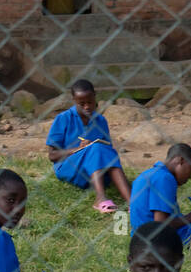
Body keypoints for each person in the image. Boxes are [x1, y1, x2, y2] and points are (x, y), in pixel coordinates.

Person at [45, 79, 130, 213]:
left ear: (95, 97)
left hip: (96, 173)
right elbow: (52, 156)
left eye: (90, 102)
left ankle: (132, 202)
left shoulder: (101, 120)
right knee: (95, 148)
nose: (86, 107)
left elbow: (107, 150)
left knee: (105, 150)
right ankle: (100, 198)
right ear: (74, 100)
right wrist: (78, 149)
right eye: (81, 104)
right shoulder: (63, 118)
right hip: (70, 169)